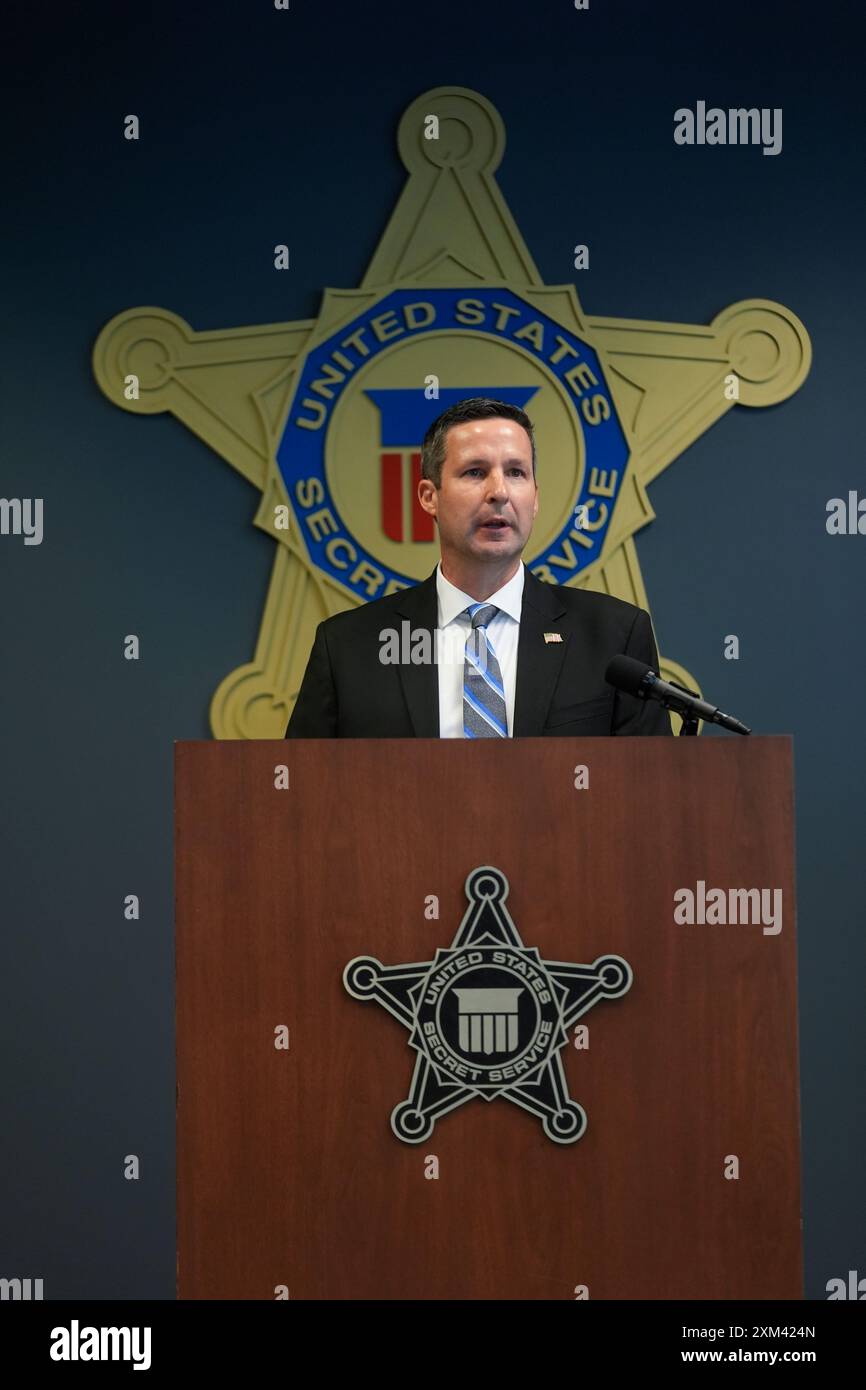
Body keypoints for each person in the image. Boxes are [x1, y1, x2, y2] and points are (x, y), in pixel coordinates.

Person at [285, 397, 672, 738]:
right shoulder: (349, 647)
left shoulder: (612, 637)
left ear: (535, 498)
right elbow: (305, 793)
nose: (499, 492)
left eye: (516, 472)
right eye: (475, 472)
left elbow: (648, 793)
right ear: (428, 496)